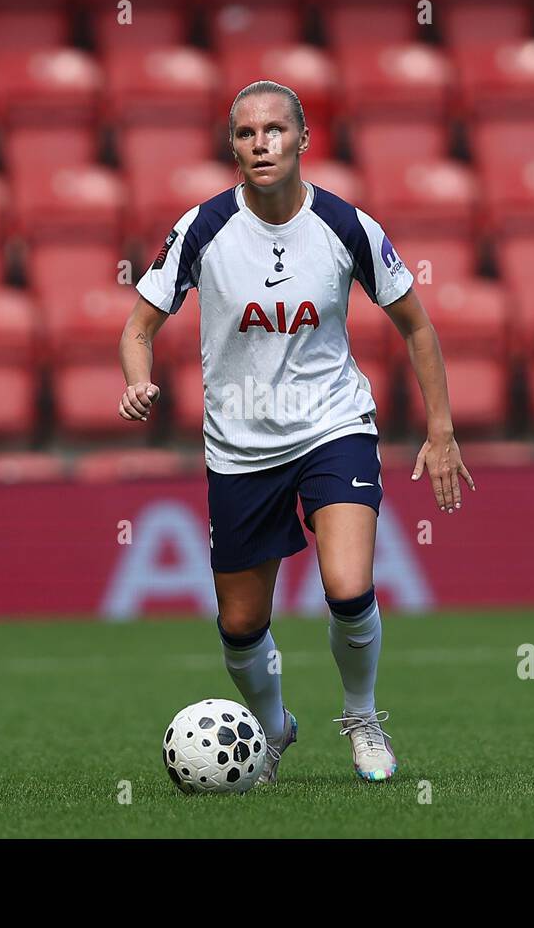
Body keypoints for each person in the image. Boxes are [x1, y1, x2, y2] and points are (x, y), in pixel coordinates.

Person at [118, 80, 474, 784]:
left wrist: (441, 430)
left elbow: (416, 325)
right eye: (247, 133)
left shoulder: (346, 226)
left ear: (303, 140)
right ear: (233, 147)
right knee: (242, 626)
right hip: (240, 449)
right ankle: (274, 728)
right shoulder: (203, 228)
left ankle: (363, 718)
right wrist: (137, 380)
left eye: (275, 130)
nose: (262, 143)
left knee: (347, 586)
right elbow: (138, 327)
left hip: (332, 428)